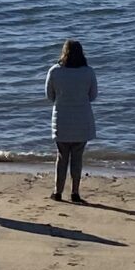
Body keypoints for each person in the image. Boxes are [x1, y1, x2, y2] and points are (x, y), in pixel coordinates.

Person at [45, 39, 97, 202]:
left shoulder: (55, 71)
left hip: (61, 119)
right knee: (77, 158)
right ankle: (75, 192)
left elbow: (49, 96)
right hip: (82, 120)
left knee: (62, 157)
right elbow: (93, 96)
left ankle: (57, 191)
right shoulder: (88, 72)